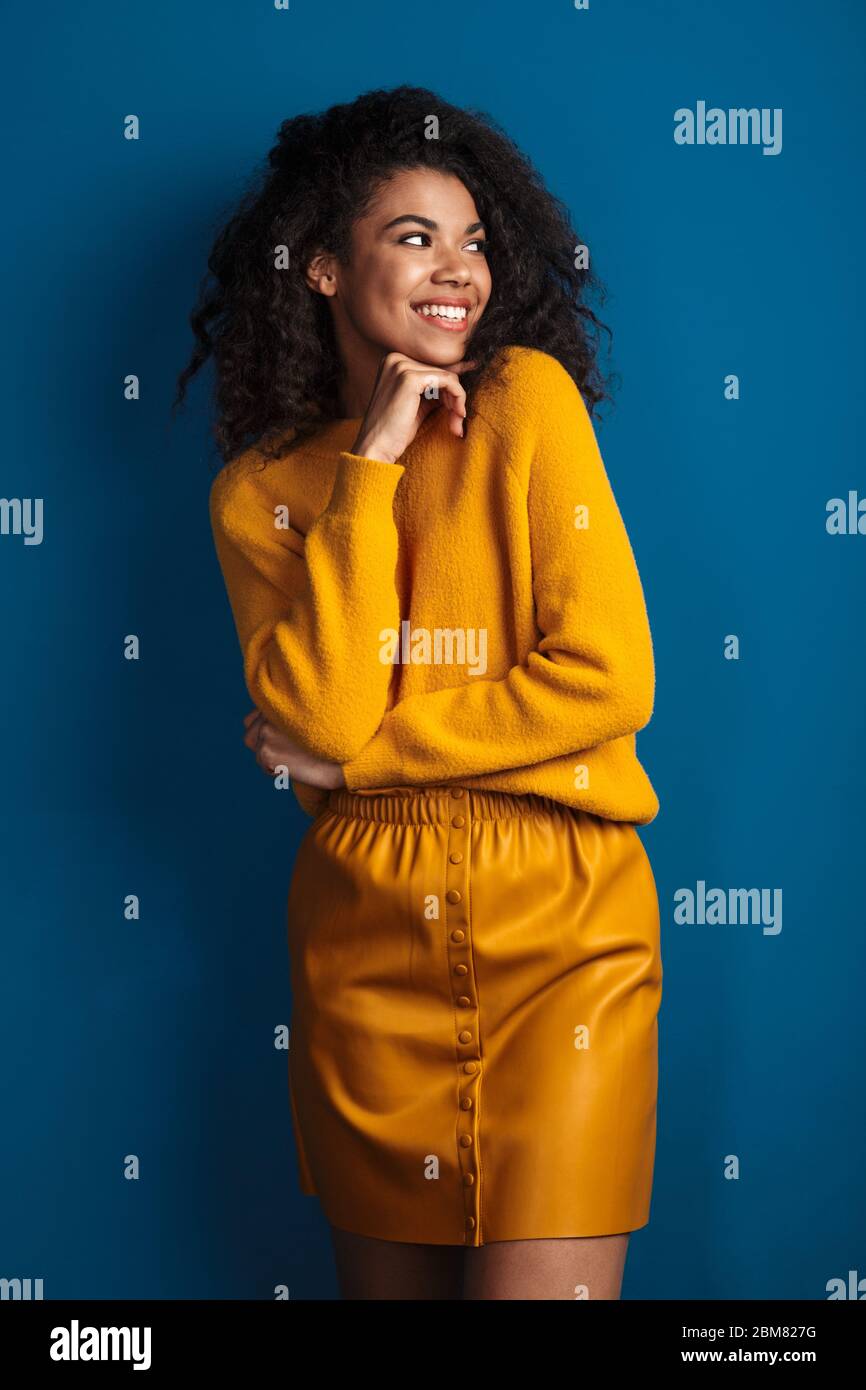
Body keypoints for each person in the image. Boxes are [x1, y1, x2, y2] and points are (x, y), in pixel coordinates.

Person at [174, 84, 663, 1301]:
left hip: (562, 933)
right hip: (364, 942)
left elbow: (606, 675)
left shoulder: (526, 402)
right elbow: (322, 722)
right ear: (326, 271)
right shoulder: (261, 492)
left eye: (473, 241)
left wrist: (372, 763)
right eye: (413, 237)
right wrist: (372, 467)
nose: (459, 271)